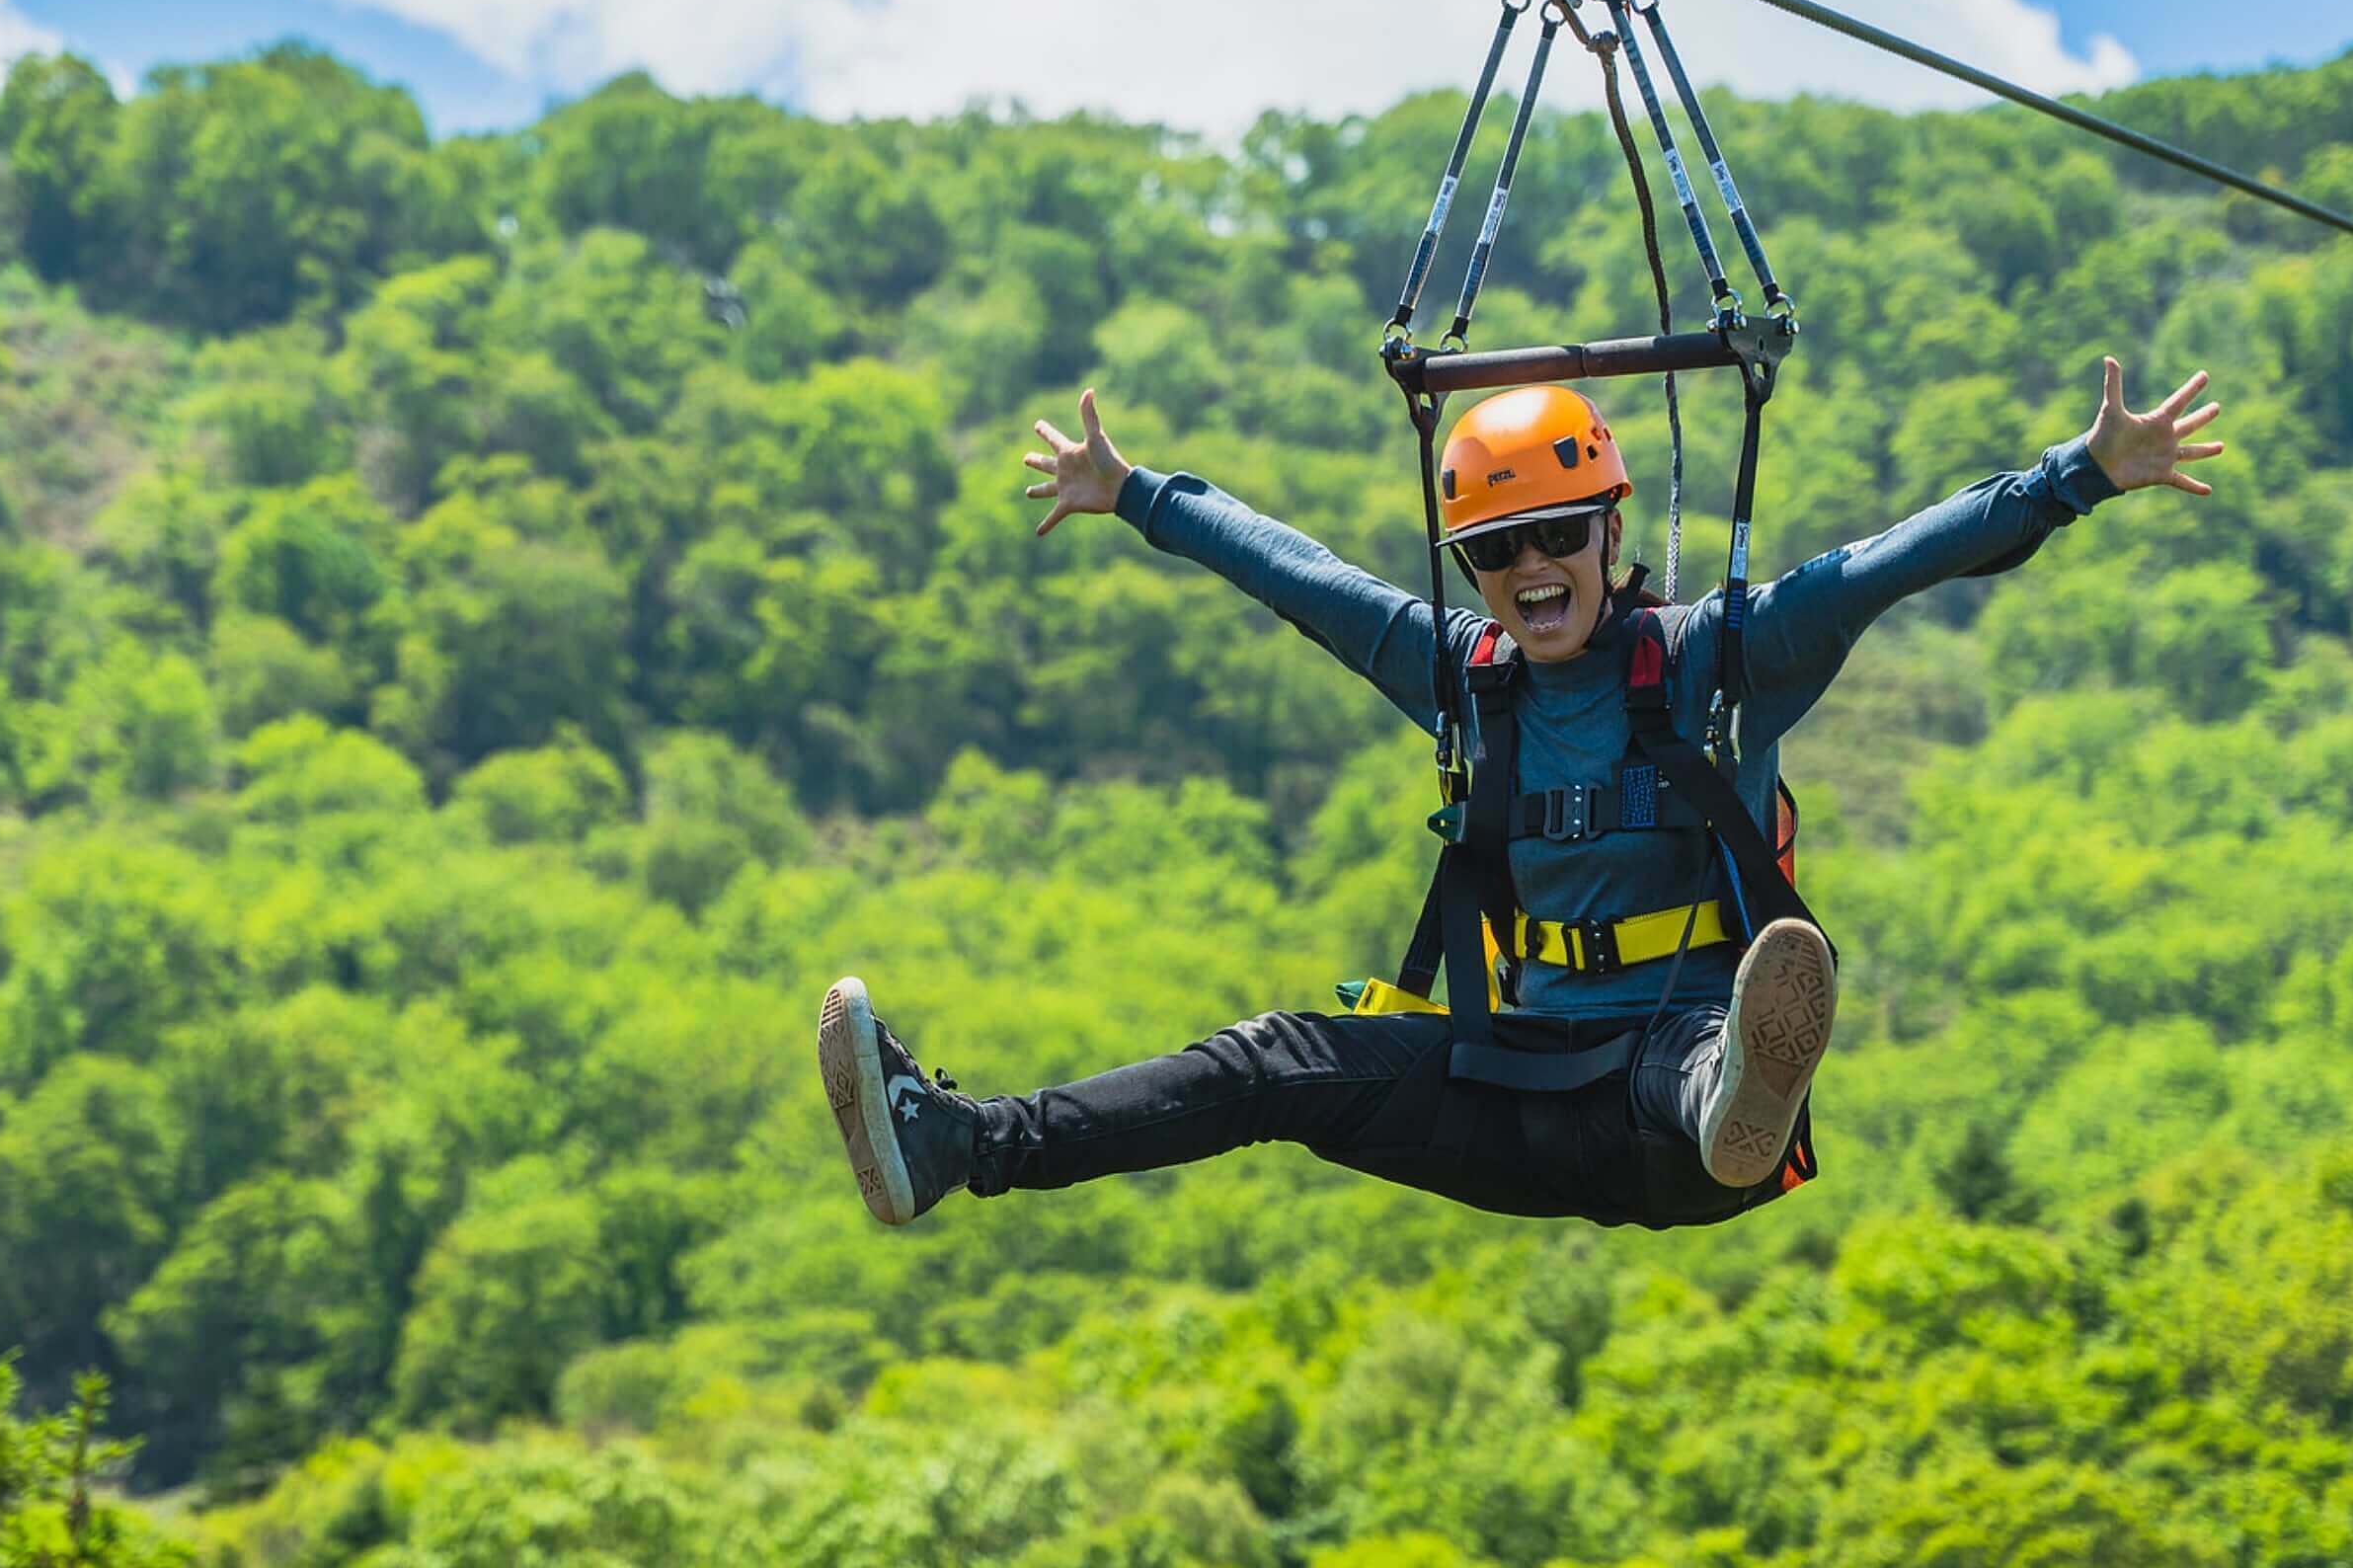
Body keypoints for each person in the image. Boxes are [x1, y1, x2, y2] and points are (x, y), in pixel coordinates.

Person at [817, 357, 2225, 1229]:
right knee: (1275, 1061)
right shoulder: (1465, 674)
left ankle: (1750, 1094)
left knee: (1694, 1066)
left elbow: (1895, 560)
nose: (1532, 568)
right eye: (1497, 550)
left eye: (1560, 534)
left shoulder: (1723, 656)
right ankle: (960, 1145)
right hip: (1510, 1086)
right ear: (1474, 568)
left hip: (1669, 1102)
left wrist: (2079, 476)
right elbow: (1295, 573)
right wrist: (1135, 493)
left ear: (1613, 533)